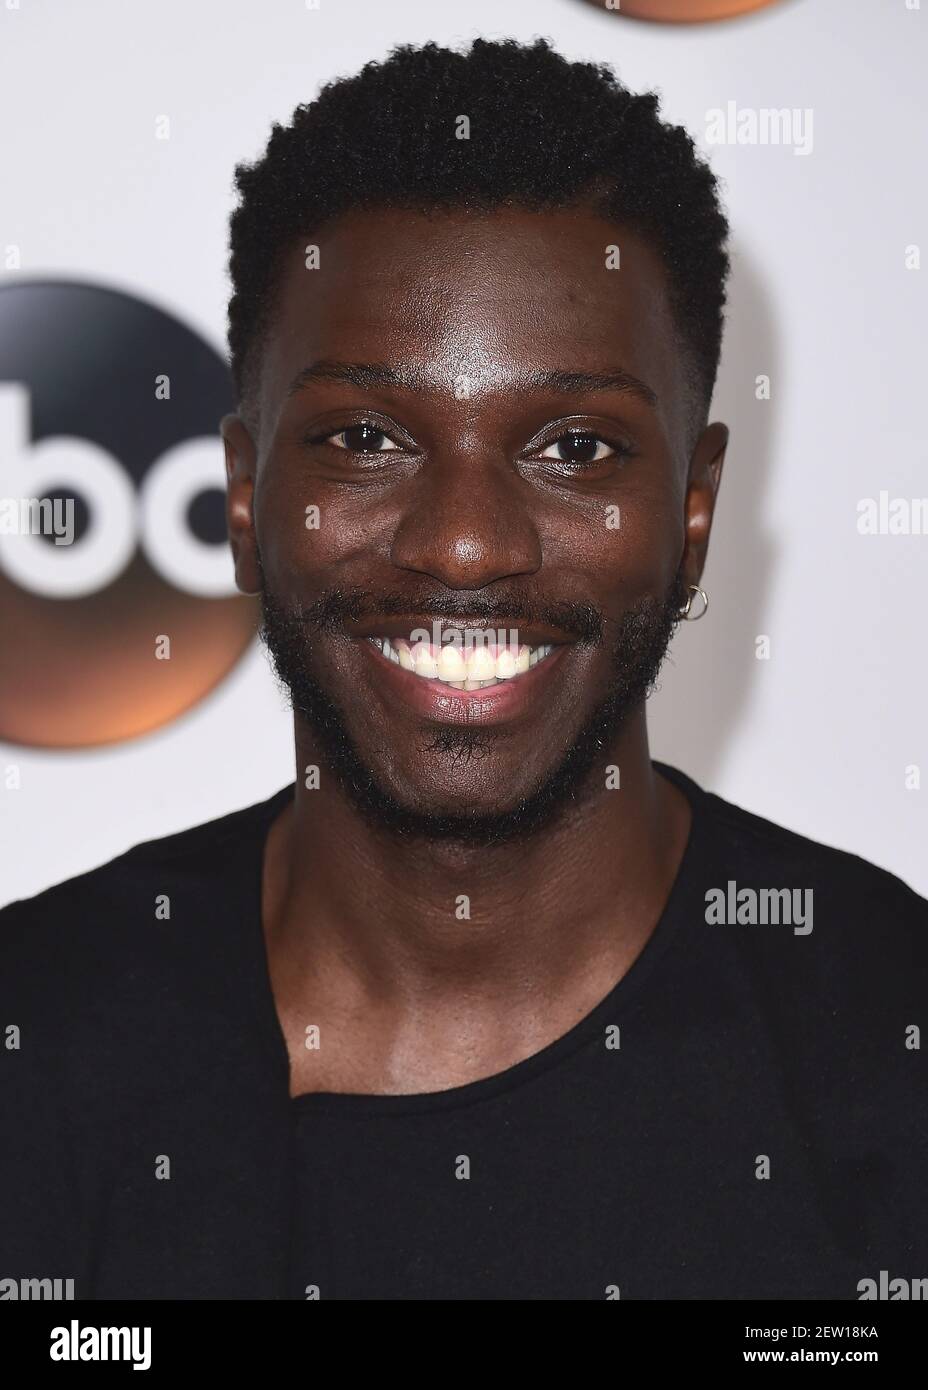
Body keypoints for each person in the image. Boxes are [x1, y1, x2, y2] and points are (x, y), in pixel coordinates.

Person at [2, 37, 925, 1301]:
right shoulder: (37, 1043)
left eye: (577, 445)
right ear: (242, 494)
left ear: (695, 510)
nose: (466, 543)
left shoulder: (888, 1048)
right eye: (369, 437)